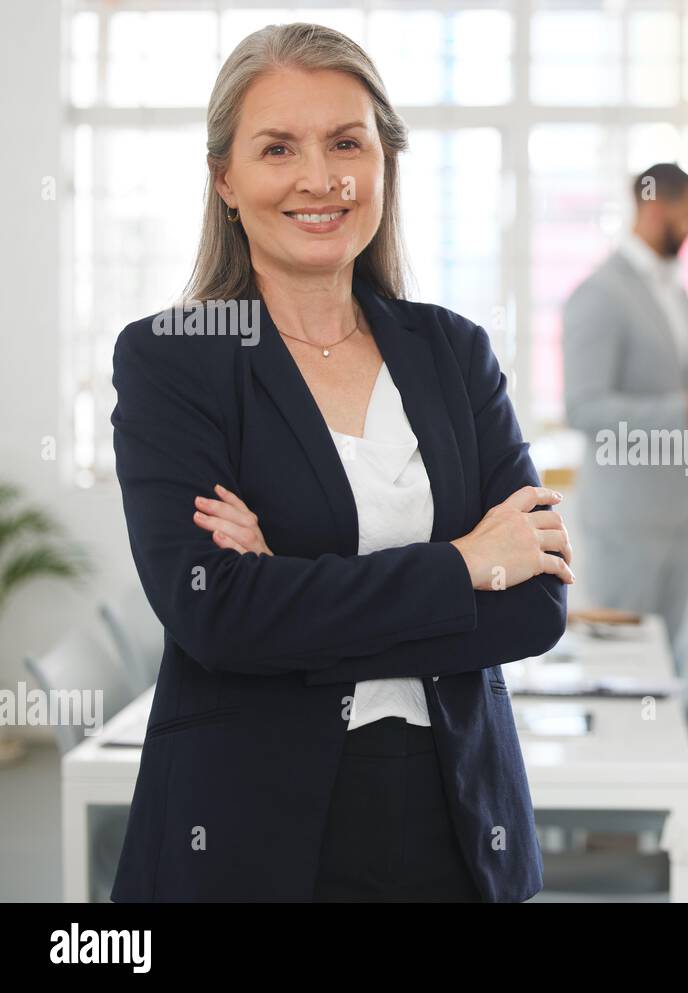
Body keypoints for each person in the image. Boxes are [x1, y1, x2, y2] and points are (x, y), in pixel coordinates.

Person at [109, 22, 573, 903]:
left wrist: (286, 585)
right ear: (226, 179)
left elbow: (537, 603)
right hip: (247, 832)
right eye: (278, 147)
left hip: (458, 823)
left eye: (346, 143)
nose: (319, 179)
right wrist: (463, 565)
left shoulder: (453, 352)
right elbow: (214, 615)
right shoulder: (175, 358)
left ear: (384, 164)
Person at [563, 164, 688, 643]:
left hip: (681, 519)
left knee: (667, 668)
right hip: (626, 526)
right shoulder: (600, 294)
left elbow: (676, 404)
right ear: (654, 207)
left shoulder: (678, 294)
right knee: (622, 665)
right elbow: (585, 410)